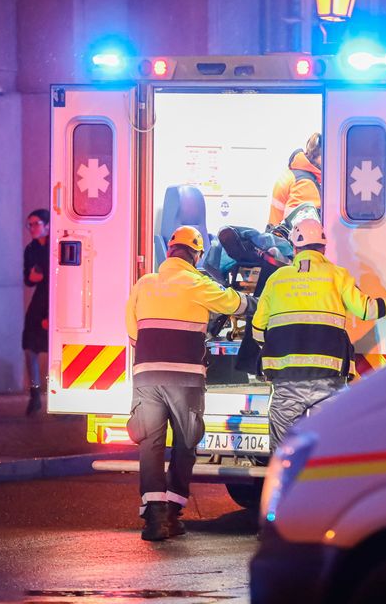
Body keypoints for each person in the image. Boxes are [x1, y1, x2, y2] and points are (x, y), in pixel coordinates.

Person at [125, 225, 254, 541]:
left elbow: (132, 334)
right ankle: (172, 511)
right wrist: (259, 303)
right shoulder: (198, 283)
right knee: (185, 443)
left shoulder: (143, 285)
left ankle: (154, 520)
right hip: (185, 379)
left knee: (150, 445)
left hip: (146, 377)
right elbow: (235, 305)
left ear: (169, 251)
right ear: (196, 254)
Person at [252, 218, 386, 451]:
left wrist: (277, 349)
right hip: (328, 380)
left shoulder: (277, 279)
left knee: (283, 455)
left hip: (287, 381)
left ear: (294, 248)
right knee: (329, 448)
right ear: (323, 247)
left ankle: (289, 487)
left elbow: (258, 330)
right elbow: (367, 310)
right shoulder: (337, 276)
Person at [22, 208, 50, 416]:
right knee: (30, 348)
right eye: (29, 224)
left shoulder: (55, 246)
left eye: (36, 224)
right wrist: (32, 276)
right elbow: (28, 280)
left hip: (55, 301)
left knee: (55, 351)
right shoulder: (30, 249)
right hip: (39, 302)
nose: (32, 228)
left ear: (47, 225)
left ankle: (63, 398)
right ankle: (35, 395)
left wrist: (50, 314)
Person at [267, 133, 322, 228]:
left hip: (277, 237)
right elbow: (303, 228)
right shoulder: (305, 182)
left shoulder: (294, 172)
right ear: (320, 157)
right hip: (288, 241)